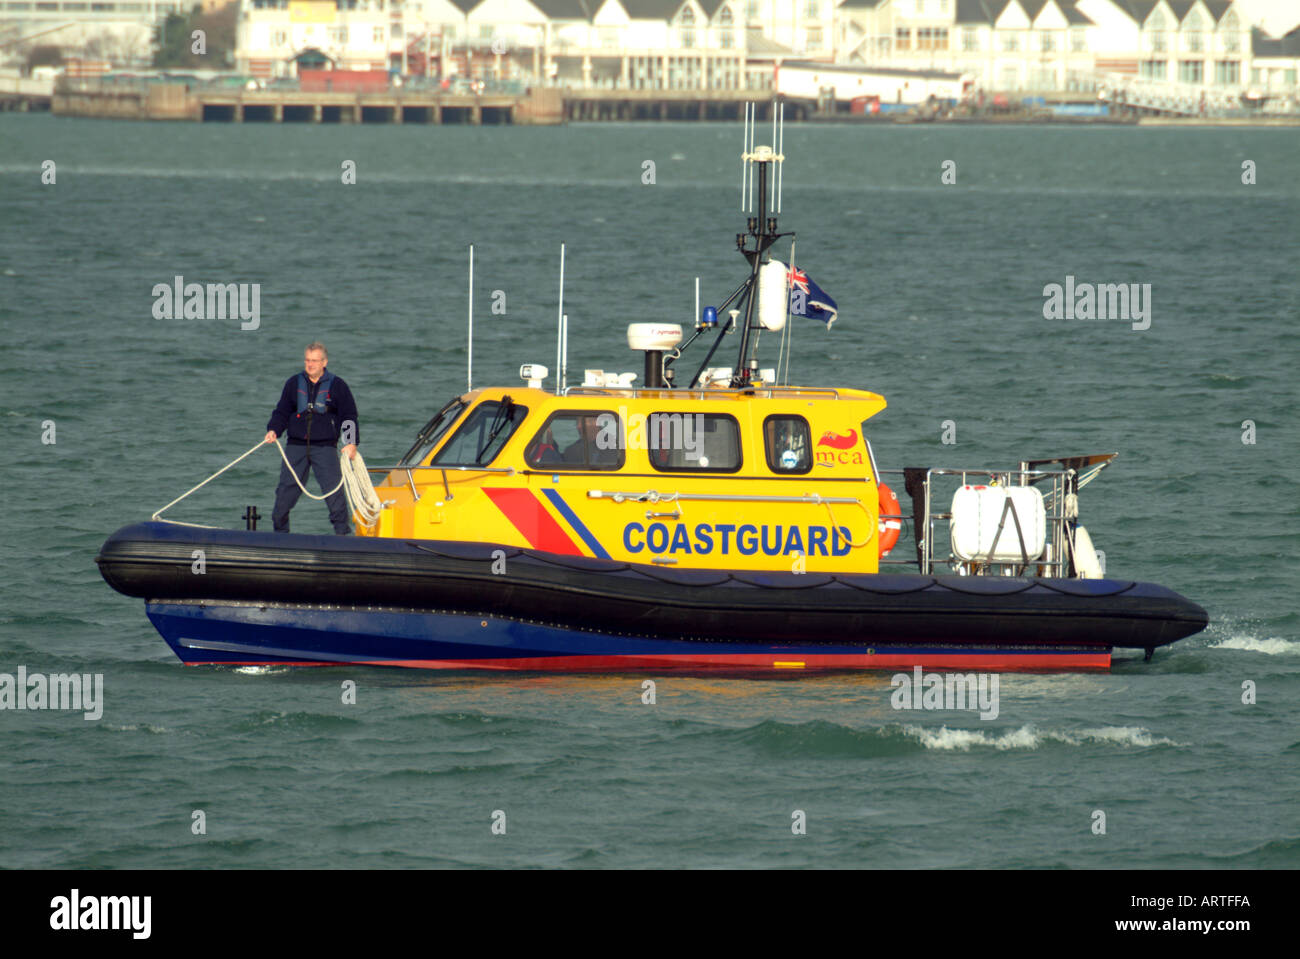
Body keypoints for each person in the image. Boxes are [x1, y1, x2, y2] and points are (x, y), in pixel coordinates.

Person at [264, 342, 359, 534]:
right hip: (295, 446)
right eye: (307, 360)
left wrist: (350, 442)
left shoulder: (338, 385)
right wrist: (274, 429)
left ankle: (343, 535)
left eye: (315, 360)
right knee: (284, 492)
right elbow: (282, 411)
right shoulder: (293, 383)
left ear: (324, 362)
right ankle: (280, 535)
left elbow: (349, 416)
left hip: (325, 447)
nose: (310, 364)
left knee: (334, 493)